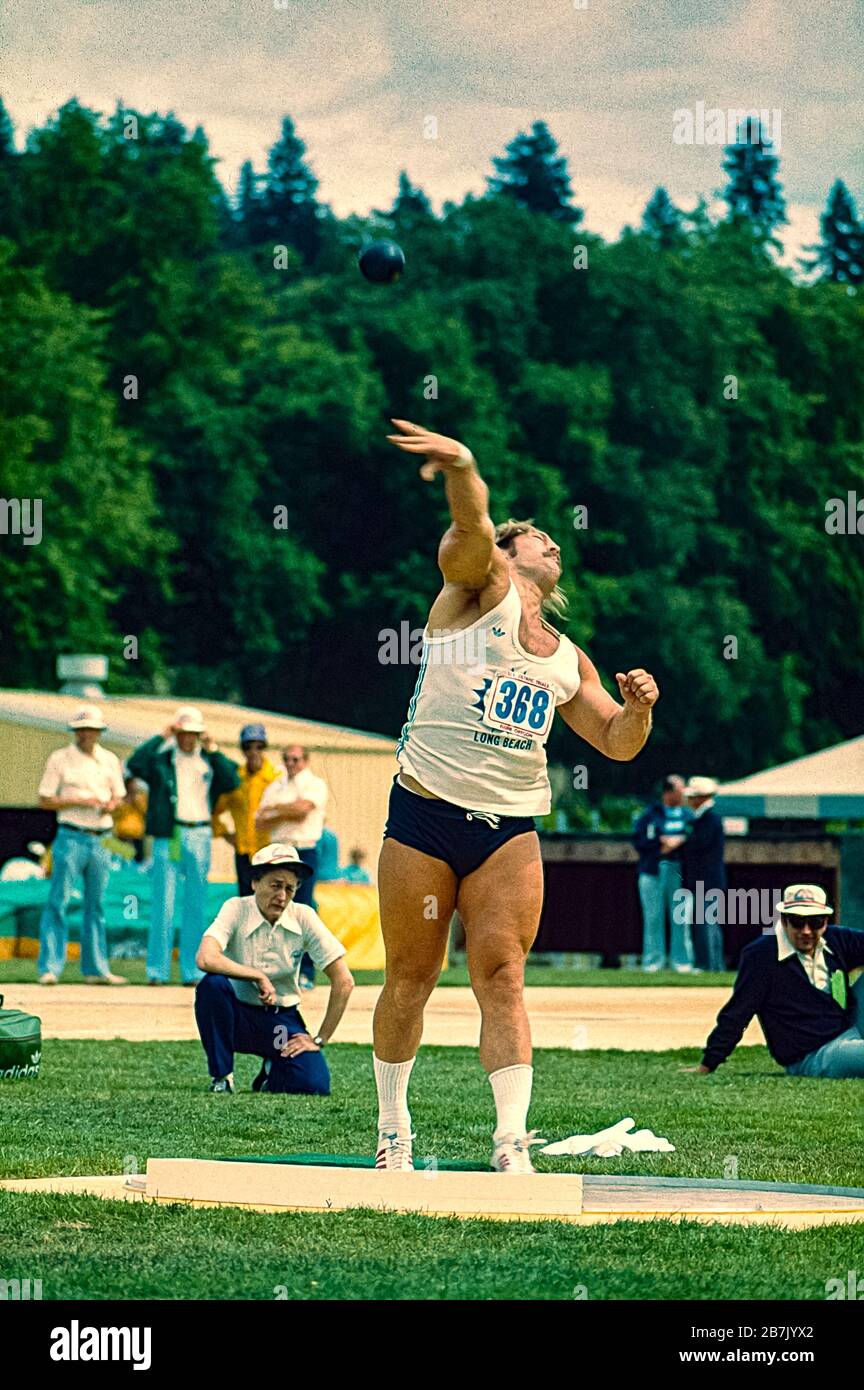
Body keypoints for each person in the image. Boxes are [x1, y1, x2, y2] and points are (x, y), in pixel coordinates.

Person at [373, 419, 659, 1172]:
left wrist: (638, 710)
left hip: (508, 829)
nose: (553, 545)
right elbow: (469, 526)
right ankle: (393, 1132)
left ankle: (511, 1142)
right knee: (411, 977)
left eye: (555, 542)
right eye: (537, 539)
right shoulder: (476, 590)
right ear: (505, 552)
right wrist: (464, 466)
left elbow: (615, 742)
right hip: (425, 814)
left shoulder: (568, 658)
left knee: (502, 977)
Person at [194, 844, 354, 1094]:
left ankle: (272, 1071)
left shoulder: (303, 916)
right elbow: (206, 958)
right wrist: (257, 975)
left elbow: (344, 981)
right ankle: (222, 1077)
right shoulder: (236, 908)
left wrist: (320, 1039)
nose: (282, 895)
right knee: (212, 986)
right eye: (275, 885)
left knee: (313, 1084)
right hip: (235, 1018)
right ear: (255, 882)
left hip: (278, 1023)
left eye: (290, 888)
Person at [683, 884, 864, 1079]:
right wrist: (708, 1064)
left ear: (825, 922)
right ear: (784, 920)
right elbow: (738, 1012)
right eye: (797, 922)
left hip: (850, 1027)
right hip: (816, 1054)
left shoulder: (836, 939)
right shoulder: (761, 955)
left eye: (815, 922)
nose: (806, 931)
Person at [126, 706, 239, 986]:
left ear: (200, 735)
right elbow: (135, 764)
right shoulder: (162, 760)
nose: (188, 739)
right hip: (172, 833)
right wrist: (161, 736)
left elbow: (232, 780)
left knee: (196, 904)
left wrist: (213, 749)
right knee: (163, 903)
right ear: (176, 733)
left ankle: (193, 970)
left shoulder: (208, 761)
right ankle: (157, 970)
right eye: (183, 733)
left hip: (200, 831)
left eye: (193, 734)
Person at [36, 705, 128, 985]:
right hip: (71, 835)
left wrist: (111, 805)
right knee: (59, 901)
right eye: (82, 729)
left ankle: (96, 969)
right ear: (75, 732)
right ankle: (50, 968)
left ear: (99, 732)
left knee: (96, 904)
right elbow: (45, 799)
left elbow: (119, 796)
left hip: (102, 837)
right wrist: (79, 801)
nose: (86, 734)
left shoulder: (109, 760)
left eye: (91, 729)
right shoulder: (60, 758)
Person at [256, 745, 328, 988]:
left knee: (303, 910)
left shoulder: (314, 784)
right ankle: (278, 970)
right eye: (287, 759)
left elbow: (302, 811)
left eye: (295, 759)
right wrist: (288, 810)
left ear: (305, 760)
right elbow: (260, 822)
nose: (291, 763)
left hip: (304, 849)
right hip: (279, 851)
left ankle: (305, 971)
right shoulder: (275, 786)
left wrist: (276, 809)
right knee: (275, 909)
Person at [632, 774, 694, 973]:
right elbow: (638, 840)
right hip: (654, 869)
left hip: (679, 870)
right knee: (653, 918)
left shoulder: (689, 815)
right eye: (680, 790)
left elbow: (698, 840)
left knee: (681, 918)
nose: (684, 794)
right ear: (668, 793)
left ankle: (682, 962)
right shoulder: (650, 814)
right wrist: (660, 844)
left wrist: (680, 842)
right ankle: (653, 962)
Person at [213, 724, 281, 895]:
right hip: (244, 852)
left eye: (258, 747)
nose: (253, 752)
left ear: (264, 748)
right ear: (242, 750)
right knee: (246, 900)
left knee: (272, 900)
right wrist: (226, 834)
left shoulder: (276, 778)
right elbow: (214, 811)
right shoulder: (235, 779)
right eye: (248, 747)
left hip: (270, 851)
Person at [681, 775, 726, 972]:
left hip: (707, 881)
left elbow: (700, 844)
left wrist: (681, 842)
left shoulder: (710, 819)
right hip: (702, 880)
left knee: (707, 923)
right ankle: (706, 963)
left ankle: (711, 965)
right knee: (702, 923)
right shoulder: (700, 819)